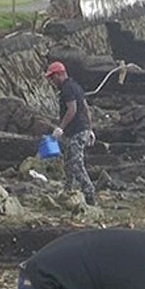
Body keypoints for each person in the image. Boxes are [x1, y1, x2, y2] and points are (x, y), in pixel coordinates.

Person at [44, 61, 97, 205]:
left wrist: (60, 128)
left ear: (60, 74)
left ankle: (89, 193)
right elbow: (86, 108)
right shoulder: (76, 87)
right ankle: (68, 191)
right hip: (81, 130)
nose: (52, 82)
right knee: (68, 163)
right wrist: (90, 129)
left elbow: (72, 109)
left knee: (76, 164)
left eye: (53, 78)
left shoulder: (67, 89)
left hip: (77, 131)